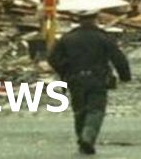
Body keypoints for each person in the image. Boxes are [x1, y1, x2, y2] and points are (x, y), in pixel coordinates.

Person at [48, 10, 132, 156]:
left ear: (79, 20)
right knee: (96, 110)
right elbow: (118, 58)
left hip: (75, 79)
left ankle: (82, 139)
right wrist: (125, 76)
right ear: (95, 20)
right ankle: (88, 137)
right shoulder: (103, 37)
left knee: (80, 110)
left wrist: (65, 69)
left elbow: (53, 58)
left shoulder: (68, 38)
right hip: (97, 79)